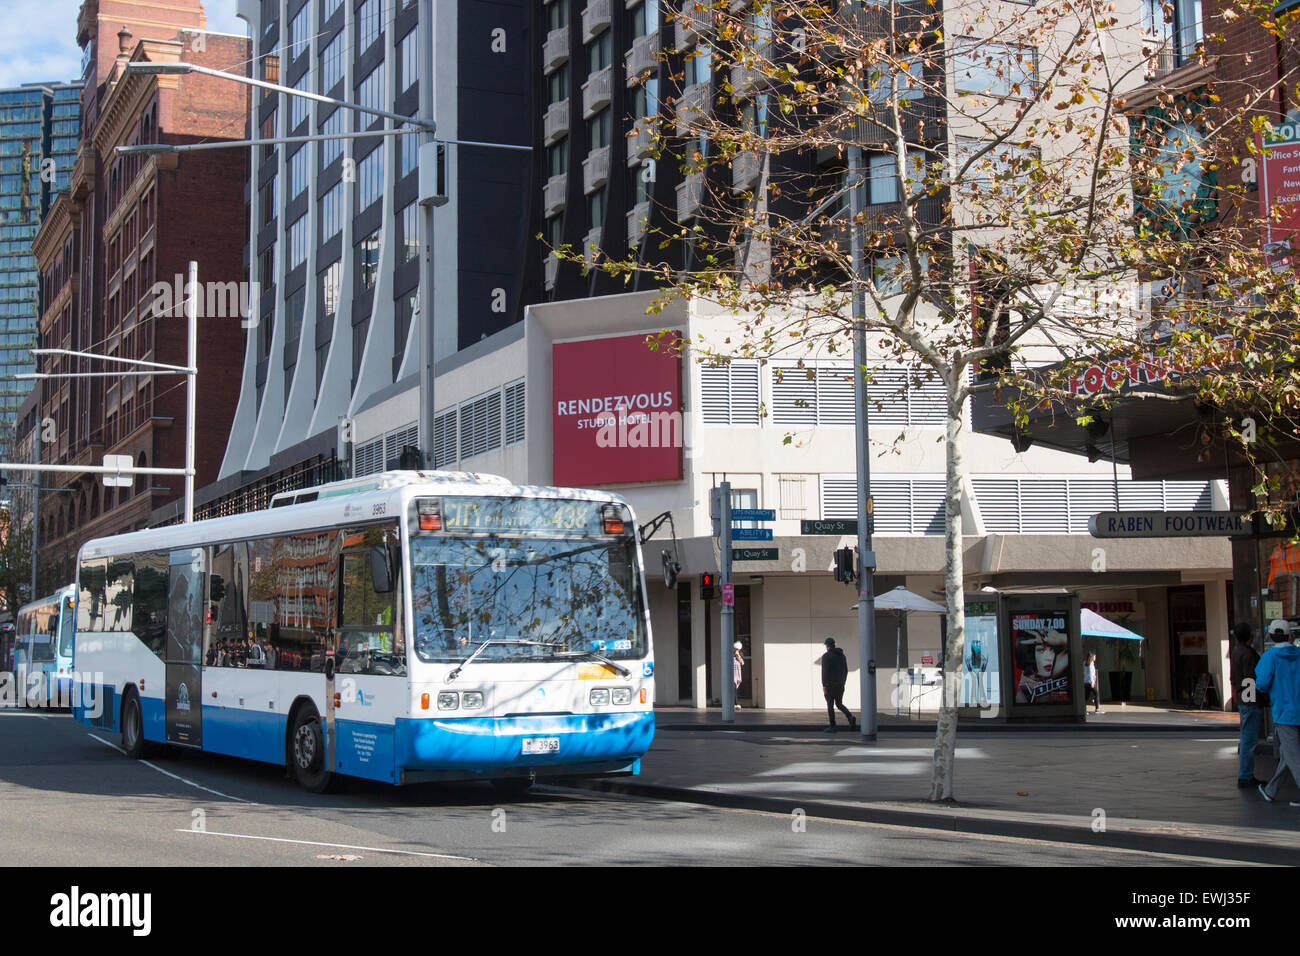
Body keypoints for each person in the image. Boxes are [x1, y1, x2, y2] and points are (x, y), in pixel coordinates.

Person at [1257, 619, 1300, 806]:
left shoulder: (1269, 657)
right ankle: (1270, 791)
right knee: (1288, 754)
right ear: (1290, 635)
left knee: (1293, 756)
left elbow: (1262, 683)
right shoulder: (1298, 654)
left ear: (1271, 635)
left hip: (1284, 712)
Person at [1230, 620, 1265, 788]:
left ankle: (1246, 774)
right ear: (1250, 636)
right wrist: (1253, 700)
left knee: (1246, 738)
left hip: (1243, 699)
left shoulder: (1236, 652)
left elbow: (1234, 679)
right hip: (1249, 700)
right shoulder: (1249, 654)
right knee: (1249, 740)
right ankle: (1245, 775)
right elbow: (1250, 678)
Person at [819, 638, 857, 732]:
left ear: (827, 646)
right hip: (840, 684)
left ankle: (832, 726)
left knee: (830, 705)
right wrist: (843, 682)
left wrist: (824, 685)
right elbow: (846, 670)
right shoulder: (842, 656)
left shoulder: (826, 656)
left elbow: (825, 672)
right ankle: (850, 717)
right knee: (839, 703)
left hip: (830, 685)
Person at [732, 641, 744, 709]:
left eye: (737, 649)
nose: (735, 650)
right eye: (735, 649)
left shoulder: (740, 654)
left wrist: (738, 655)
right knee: (733, 689)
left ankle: (735, 703)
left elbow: (742, 663)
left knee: (735, 689)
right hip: (732, 674)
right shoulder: (730, 653)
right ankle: (736, 703)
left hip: (737, 674)